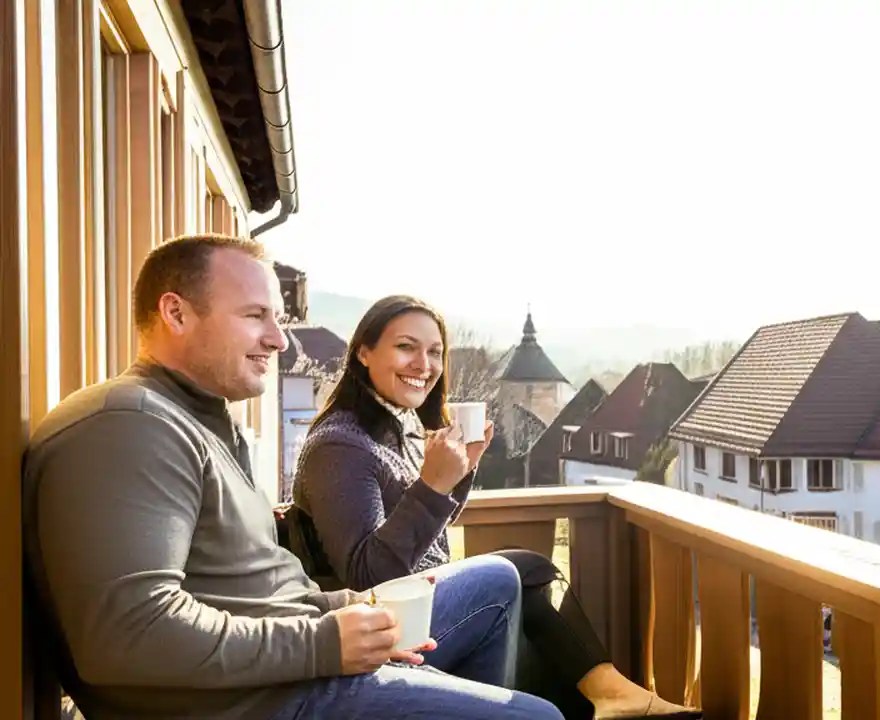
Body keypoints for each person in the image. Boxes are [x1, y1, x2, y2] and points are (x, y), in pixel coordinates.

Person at [21, 234, 564, 720]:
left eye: (277, 318)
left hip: (286, 666)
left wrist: (344, 608)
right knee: (538, 716)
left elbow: (255, 589)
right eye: (256, 316)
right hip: (260, 699)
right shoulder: (128, 425)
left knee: (499, 580)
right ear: (176, 313)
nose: (279, 340)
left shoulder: (204, 422)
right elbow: (126, 637)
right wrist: (324, 643)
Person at [289, 296, 701, 720]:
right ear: (363, 352)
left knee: (530, 585)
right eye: (406, 347)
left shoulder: (400, 428)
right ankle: (611, 692)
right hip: (377, 632)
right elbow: (369, 576)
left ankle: (612, 691)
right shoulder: (341, 446)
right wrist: (434, 484)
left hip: (416, 613)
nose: (424, 364)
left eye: (434, 352)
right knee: (519, 573)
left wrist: (459, 472)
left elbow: (421, 533)